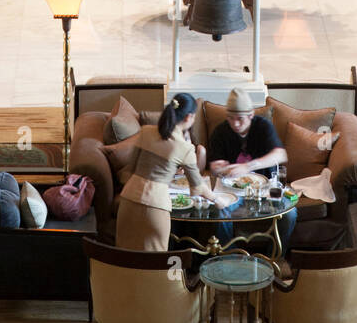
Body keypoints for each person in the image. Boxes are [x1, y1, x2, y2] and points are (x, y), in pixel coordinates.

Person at [115, 93, 216, 251]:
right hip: (156, 206)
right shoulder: (185, 148)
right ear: (189, 117)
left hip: (128, 200)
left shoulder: (146, 131)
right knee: (156, 262)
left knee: (125, 257)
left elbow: (130, 169)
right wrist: (218, 200)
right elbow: (198, 188)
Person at [207, 88, 296, 251]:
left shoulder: (263, 127)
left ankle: (273, 258)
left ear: (251, 115)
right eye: (230, 118)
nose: (235, 124)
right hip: (231, 192)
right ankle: (227, 258)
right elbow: (213, 167)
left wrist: (248, 166)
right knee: (219, 214)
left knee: (290, 214)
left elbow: (281, 154)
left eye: (240, 119)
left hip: (263, 189)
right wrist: (218, 167)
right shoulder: (221, 131)